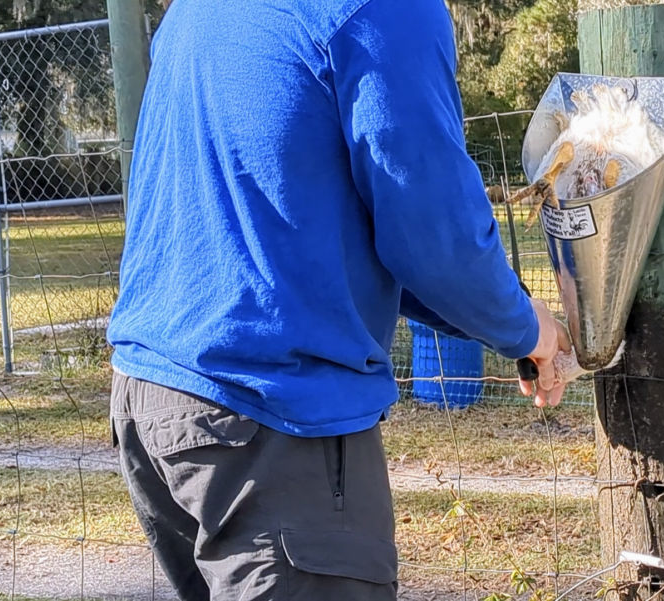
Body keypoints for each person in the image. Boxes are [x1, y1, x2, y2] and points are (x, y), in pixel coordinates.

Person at [104, 0, 572, 599]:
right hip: (269, 415)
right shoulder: (384, 10)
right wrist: (527, 328)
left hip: (155, 401)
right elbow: (435, 235)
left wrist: (505, 319)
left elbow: (324, 233)